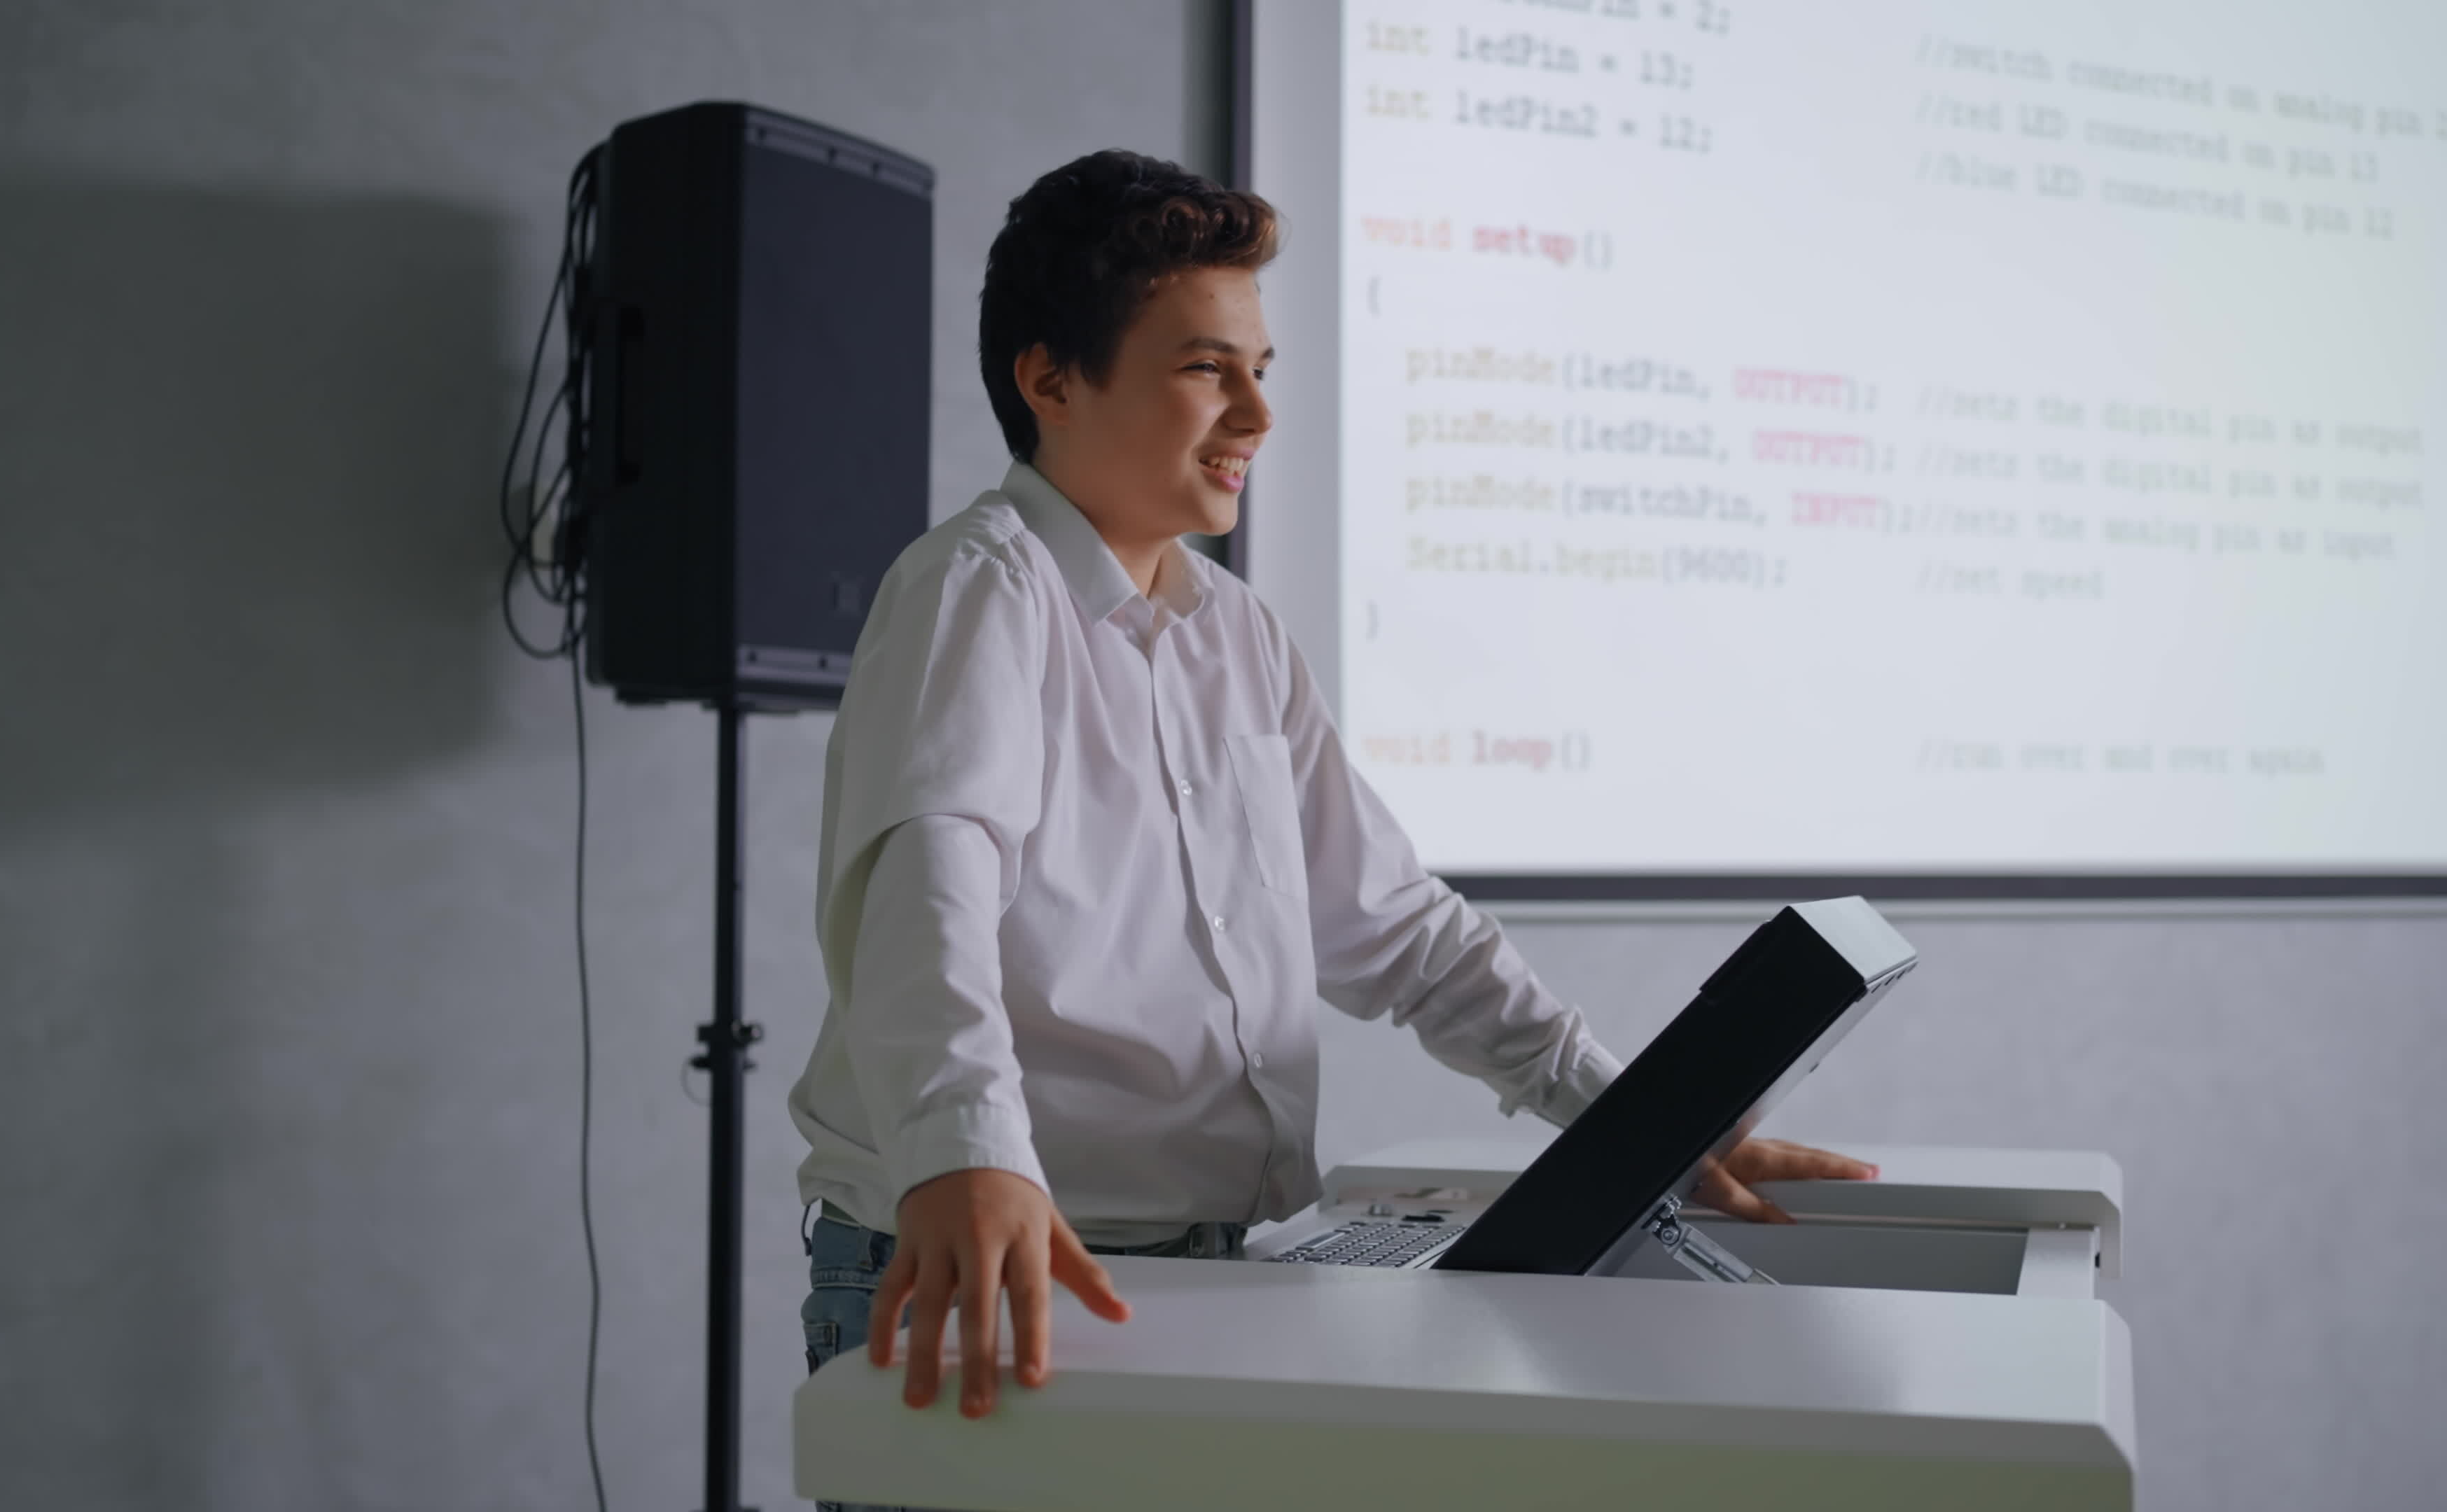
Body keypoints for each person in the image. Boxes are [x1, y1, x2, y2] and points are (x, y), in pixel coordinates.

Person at [786, 148, 1871, 1462]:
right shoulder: (978, 590)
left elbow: (1400, 933)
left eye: (1261, 369)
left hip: (1215, 1275)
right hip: (995, 1282)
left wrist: (1640, 1125)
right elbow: (924, 905)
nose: (1255, 411)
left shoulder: (1233, 630)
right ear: (1050, 377)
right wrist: (969, 1156)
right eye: (1205, 368)